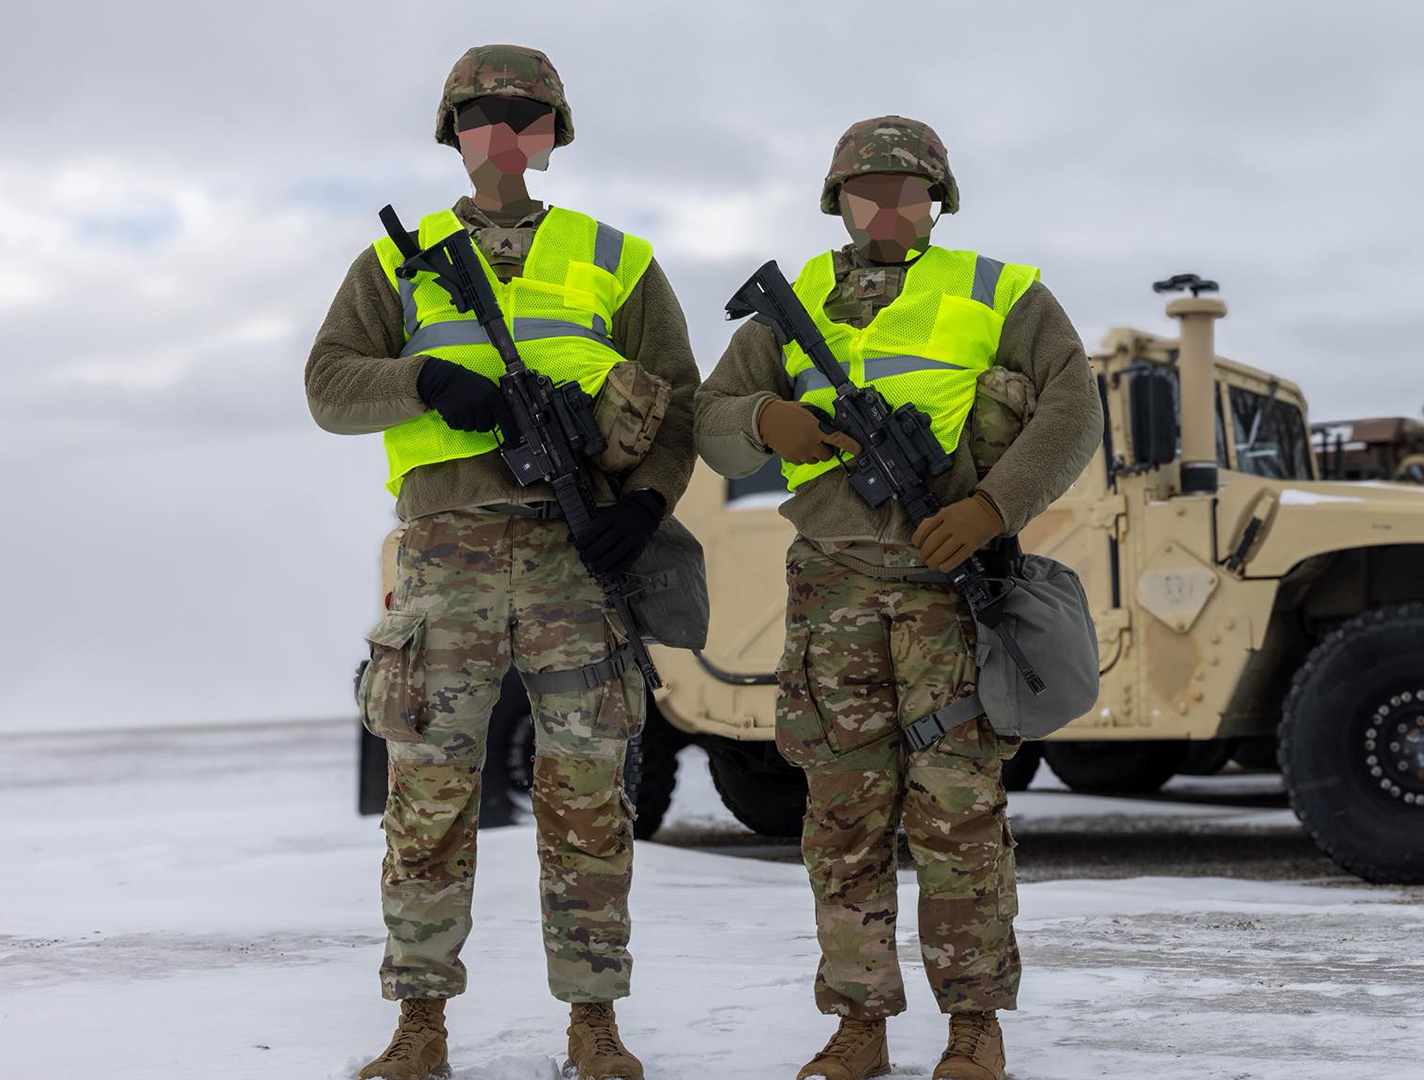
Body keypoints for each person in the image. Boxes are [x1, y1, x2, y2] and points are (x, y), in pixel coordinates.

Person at [304, 44, 697, 1080]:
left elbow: (680, 403)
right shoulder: (396, 261)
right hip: (449, 557)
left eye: (528, 118)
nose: (505, 135)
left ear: (553, 136)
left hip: (578, 555)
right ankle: (420, 1024)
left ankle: (594, 1025)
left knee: (589, 797)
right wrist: (429, 380)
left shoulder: (618, 259)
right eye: (484, 117)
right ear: (456, 134)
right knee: (428, 796)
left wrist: (648, 502)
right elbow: (329, 386)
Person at [694, 116, 1102, 1080]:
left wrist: (994, 508)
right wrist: (767, 418)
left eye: (908, 191)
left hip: (949, 591)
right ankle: (859, 1025)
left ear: (937, 202)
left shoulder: (1002, 291)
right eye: (867, 190)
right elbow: (709, 427)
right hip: (832, 589)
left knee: (959, 816)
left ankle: (974, 1027)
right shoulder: (787, 308)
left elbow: (1073, 407)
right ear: (837, 200)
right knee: (840, 817)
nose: (888, 207)